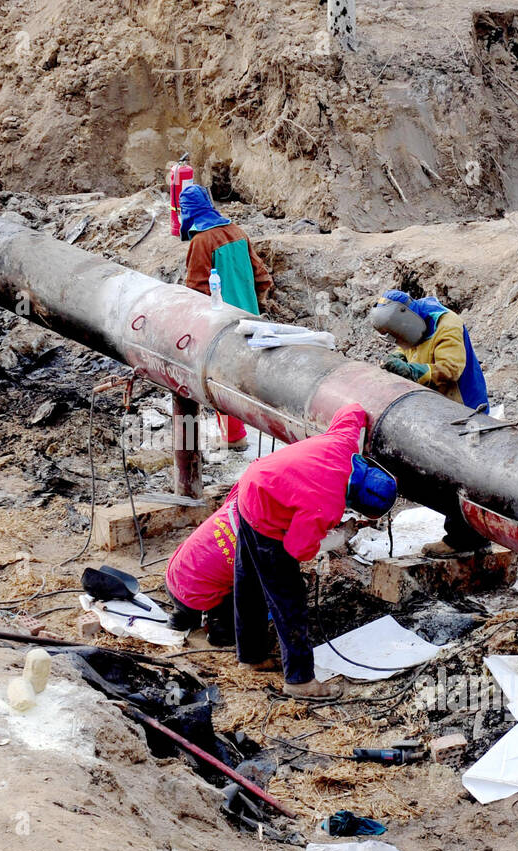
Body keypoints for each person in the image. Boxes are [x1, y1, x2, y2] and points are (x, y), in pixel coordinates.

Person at [233, 403, 398, 699]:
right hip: (266, 518)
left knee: (248, 583)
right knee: (288, 598)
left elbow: (351, 411)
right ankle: (299, 680)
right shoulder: (326, 504)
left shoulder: (344, 443)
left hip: (252, 487)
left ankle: (251, 655)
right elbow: (297, 549)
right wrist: (341, 535)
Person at [371, 290, 491, 557]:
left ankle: (464, 541)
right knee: (444, 473)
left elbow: (450, 369)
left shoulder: (447, 324)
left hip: (464, 409)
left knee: (462, 477)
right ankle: (467, 538)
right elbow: (411, 348)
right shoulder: (416, 324)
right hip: (438, 410)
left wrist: (414, 371)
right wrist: (402, 360)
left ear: (407, 318)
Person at [179, 183, 273, 451]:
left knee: (220, 379)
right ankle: (249, 434)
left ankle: (235, 440)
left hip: (223, 326)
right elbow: (261, 275)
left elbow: (197, 289)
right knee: (244, 379)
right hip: (250, 319)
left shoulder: (201, 241)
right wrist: (256, 304)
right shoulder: (237, 231)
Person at [165, 487, 241, 647]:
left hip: (173, 577)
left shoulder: (236, 502)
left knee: (212, 569)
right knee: (250, 589)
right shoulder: (257, 538)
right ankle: (220, 631)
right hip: (199, 595)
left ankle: (183, 616)